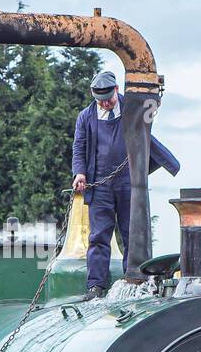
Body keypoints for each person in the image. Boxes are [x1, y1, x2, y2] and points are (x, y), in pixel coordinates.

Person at [71, 69, 179, 299]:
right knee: (99, 236)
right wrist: (79, 173)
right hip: (99, 184)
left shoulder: (133, 108)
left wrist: (155, 92)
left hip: (128, 181)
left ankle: (137, 280)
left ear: (117, 90)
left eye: (109, 99)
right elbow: (79, 147)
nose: (106, 104)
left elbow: (153, 107)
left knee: (133, 233)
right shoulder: (85, 117)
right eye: (100, 100)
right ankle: (96, 286)